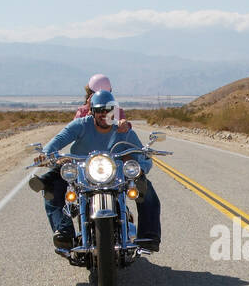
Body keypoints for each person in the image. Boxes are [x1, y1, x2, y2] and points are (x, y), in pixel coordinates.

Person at [29, 89, 161, 252]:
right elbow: (59, 139)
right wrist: (45, 154)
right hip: (82, 173)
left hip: (115, 175)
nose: (104, 114)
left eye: (108, 110)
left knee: (147, 190)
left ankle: (149, 236)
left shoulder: (123, 130)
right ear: (92, 111)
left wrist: (140, 168)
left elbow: (142, 154)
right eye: (99, 110)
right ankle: (64, 232)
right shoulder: (81, 125)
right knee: (51, 190)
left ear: (114, 111)